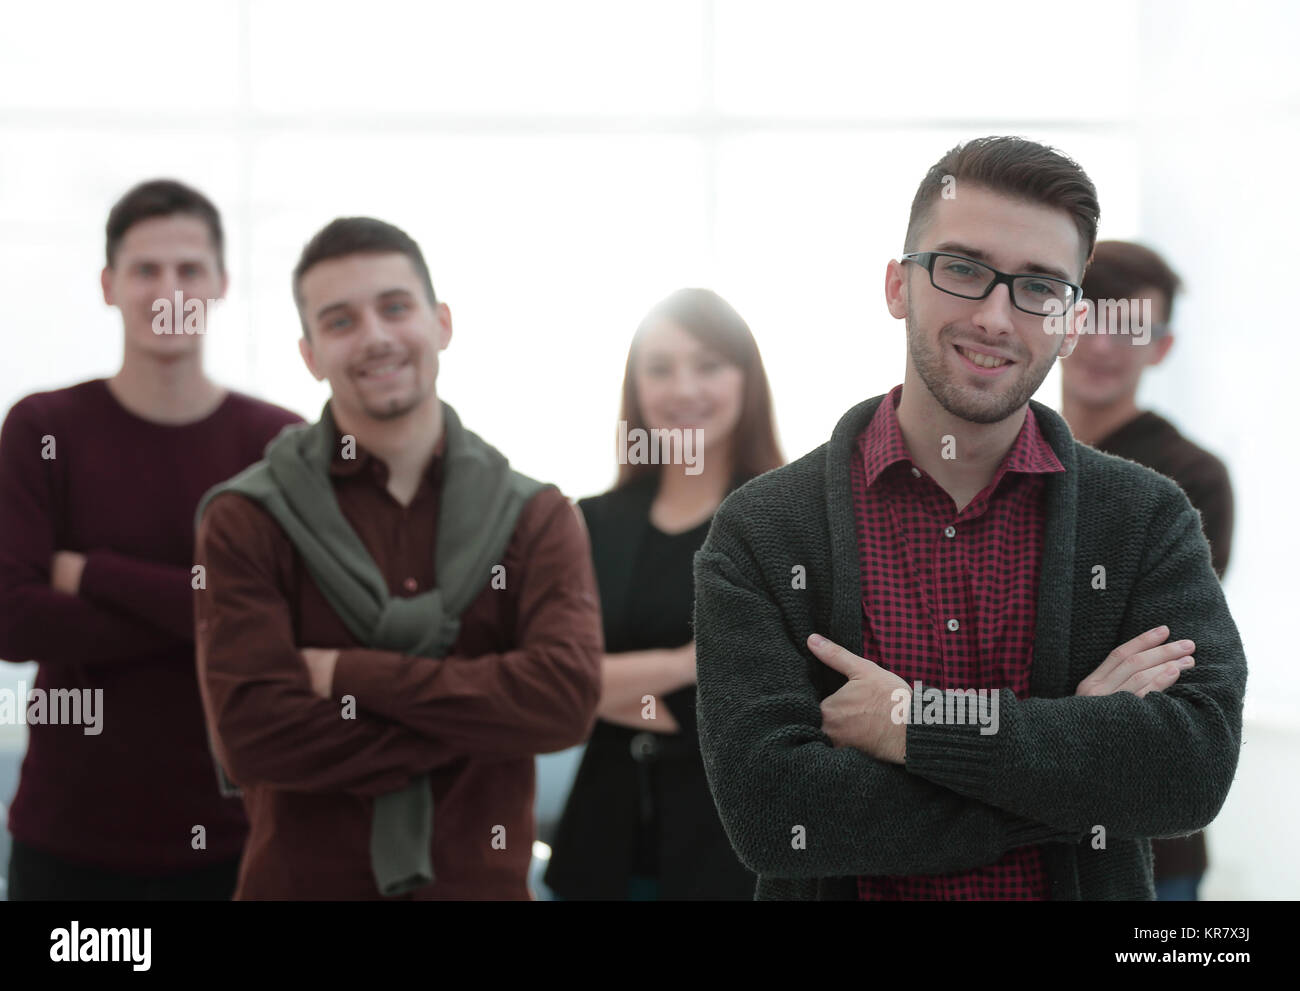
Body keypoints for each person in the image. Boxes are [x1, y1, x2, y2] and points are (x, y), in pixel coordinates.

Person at [692, 136, 1246, 900]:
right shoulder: (763, 529)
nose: (995, 316)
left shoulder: (1148, 519)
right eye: (962, 269)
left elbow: (1190, 772)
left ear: (1070, 317)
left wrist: (917, 723)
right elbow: (777, 815)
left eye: (1040, 288)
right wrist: (1070, 759)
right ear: (897, 285)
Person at [194, 216, 603, 899]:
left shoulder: (538, 515)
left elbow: (562, 702)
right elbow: (253, 735)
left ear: (440, 322)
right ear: (310, 353)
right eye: (341, 320)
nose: (377, 336)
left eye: (394, 307)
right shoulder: (246, 516)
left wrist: (347, 674)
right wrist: (485, 718)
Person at [0, 179, 303, 899]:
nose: (169, 288)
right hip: (68, 844)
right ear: (110, 285)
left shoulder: (278, 443)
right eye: (146, 269)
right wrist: (212, 615)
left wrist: (95, 573)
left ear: (222, 283)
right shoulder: (42, 429)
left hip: (239, 839)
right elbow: (12, 620)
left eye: (189, 269)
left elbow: (285, 628)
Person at [544, 289, 782, 900]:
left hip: (734, 858)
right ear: (635, 387)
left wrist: (608, 688)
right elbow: (553, 683)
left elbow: (782, 699)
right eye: (660, 368)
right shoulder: (590, 522)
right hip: (598, 852)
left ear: (746, 379)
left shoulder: (784, 519)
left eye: (708, 364)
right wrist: (691, 662)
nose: (683, 388)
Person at [1062, 240, 1234, 901]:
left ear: (1161, 347)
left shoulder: (1191, 478)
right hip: (1012, 811)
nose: (1107, 345)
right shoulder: (1002, 453)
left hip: (1153, 831)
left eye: (1132, 327)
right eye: (1094, 317)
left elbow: (1158, 652)